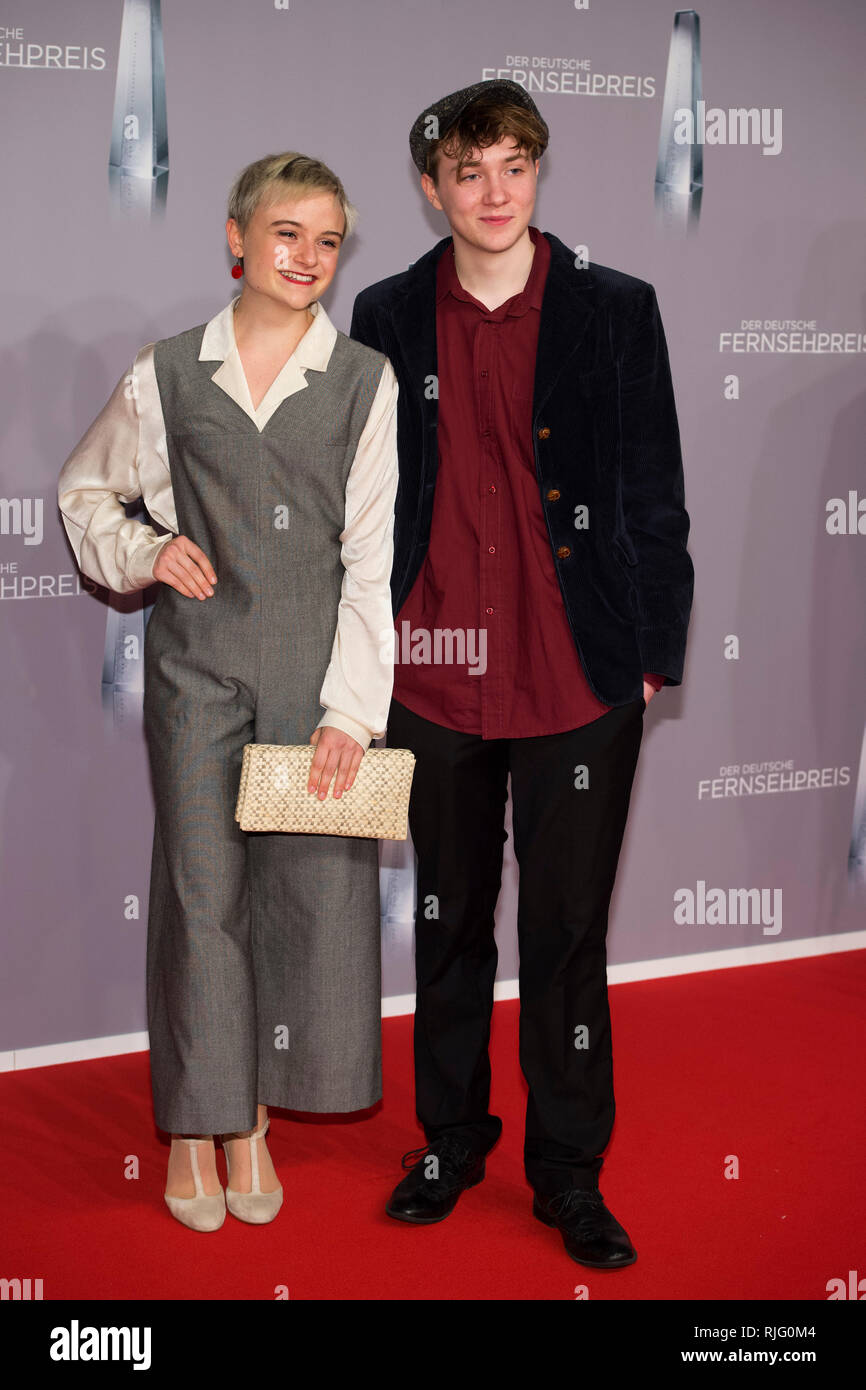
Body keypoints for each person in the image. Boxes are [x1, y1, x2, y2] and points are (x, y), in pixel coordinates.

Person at [350, 81, 694, 1268]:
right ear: (433, 185)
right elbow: (367, 504)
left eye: (513, 166)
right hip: (433, 671)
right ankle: (448, 1145)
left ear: (536, 173)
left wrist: (650, 652)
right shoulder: (386, 313)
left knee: (563, 940)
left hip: (575, 677)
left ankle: (567, 1175)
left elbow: (651, 492)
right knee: (444, 927)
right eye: (468, 171)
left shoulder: (615, 309)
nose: (492, 193)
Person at [58, 152, 399, 1232]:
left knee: (308, 899)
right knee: (204, 899)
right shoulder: (165, 372)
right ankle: (196, 1130)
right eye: (286, 233)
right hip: (197, 671)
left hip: (313, 675)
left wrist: (351, 712)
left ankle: (250, 1114)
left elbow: (373, 557)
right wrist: (147, 553)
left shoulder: (364, 382)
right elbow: (84, 491)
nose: (306, 257)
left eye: (327, 240)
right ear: (236, 238)